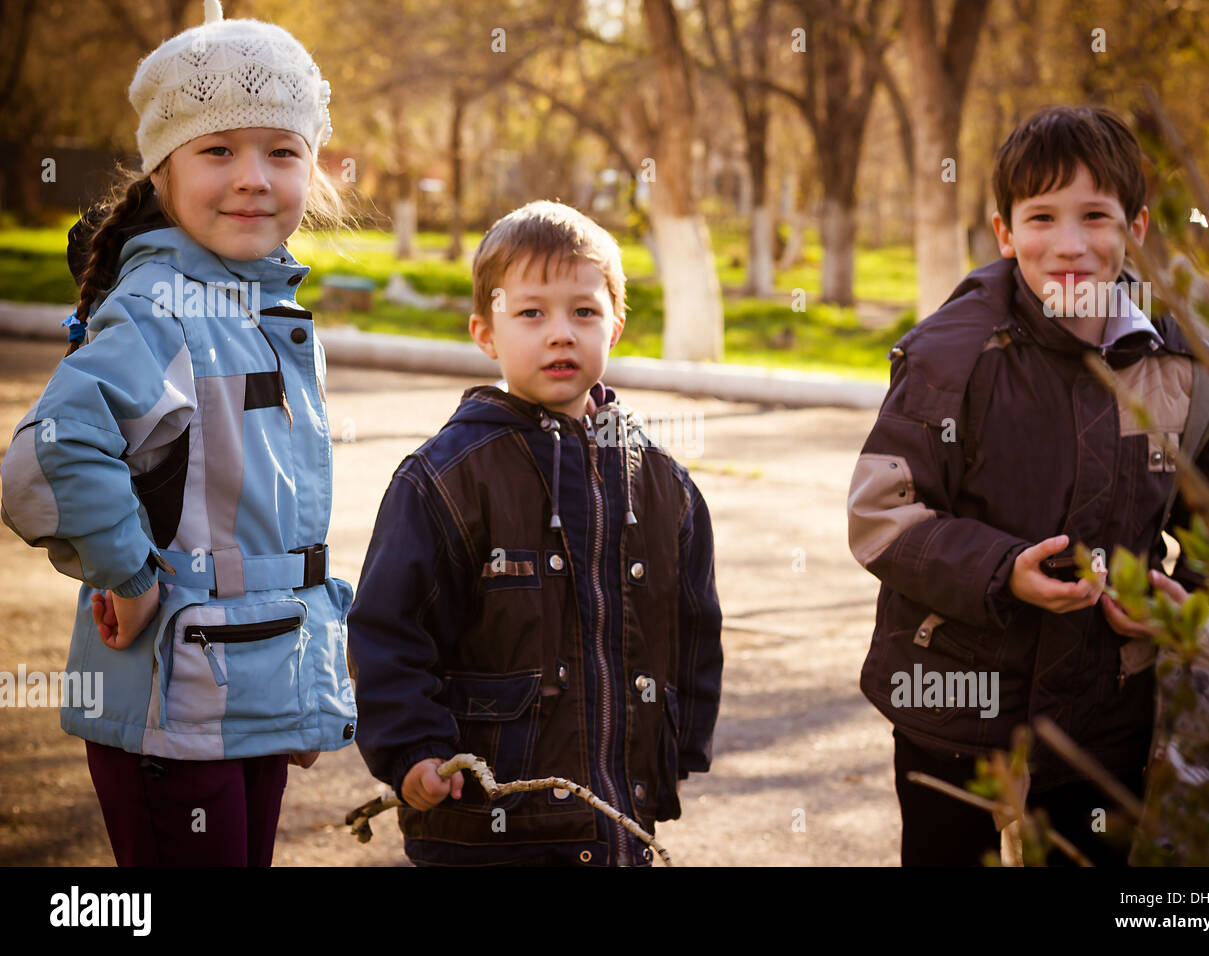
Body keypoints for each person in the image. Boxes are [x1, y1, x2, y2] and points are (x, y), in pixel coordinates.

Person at [846, 106, 1209, 866]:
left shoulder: (1184, 372)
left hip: (1109, 714)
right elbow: (882, 514)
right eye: (1041, 216)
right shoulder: (952, 357)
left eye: (1096, 217)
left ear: (1136, 227)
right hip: (954, 708)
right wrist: (1003, 571)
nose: (1069, 245)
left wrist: (1194, 604)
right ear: (1005, 233)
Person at [0, 0, 355, 866]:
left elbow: (265, 533)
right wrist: (130, 574)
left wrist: (303, 689)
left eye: (283, 151)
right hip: (173, 711)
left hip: (247, 693)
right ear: (161, 171)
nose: (253, 177)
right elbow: (45, 460)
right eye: (218, 149)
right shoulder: (164, 309)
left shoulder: (261, 305)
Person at [348, 200, 724, 866]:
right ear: (484, 333)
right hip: (487, 821)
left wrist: (678, 745)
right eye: (531, 312)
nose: (561, 333)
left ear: (616, 328)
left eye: (584, 311)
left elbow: (694, 624)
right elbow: (388, 630)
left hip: (619, 821)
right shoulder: (445, 478)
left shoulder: (663, 483)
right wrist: (413, 751)